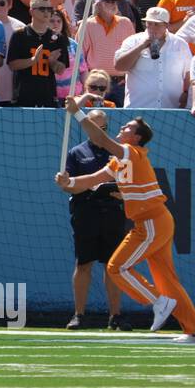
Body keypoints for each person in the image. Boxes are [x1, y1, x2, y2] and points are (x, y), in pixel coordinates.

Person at [57, 97, 195, 343]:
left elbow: (100, 139)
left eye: (127, 128)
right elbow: (92, 180)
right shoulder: (119, 161)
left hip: (152, 221)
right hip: (153, 222)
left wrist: (78, 113)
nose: (121, 129)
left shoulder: (132, 152)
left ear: (137, 137)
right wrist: (69, 183)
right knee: (167, 279)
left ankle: (158, 302)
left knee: (116, 267)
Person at [61, 107, 129, 331]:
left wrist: (121, 192)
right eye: (95, 127)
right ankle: (79, 314)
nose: (100, 132)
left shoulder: (117, 153)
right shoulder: (77, 152)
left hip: (113, 213)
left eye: (104, 128)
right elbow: (68, 185)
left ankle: (115, 316)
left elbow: (131, 183)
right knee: (83, 263)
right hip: (86, 213)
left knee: (113, 266)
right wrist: (67, 182)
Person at [114, 7, 191, 109]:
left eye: (157, 24)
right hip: (138, 109)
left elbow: (189, 73)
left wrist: (187, 93)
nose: (152, 28)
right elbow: (119, 66)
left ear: (166, 25)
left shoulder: (180, 44)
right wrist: (141, 46)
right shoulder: (133, 41)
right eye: (149, 23)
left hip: (171, 109)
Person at [5, 0, 69, 107]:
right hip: (23, 96)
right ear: (31, 11)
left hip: (48, 96)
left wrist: (52, 62)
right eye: (42, 9)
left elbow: (60, 70)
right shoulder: (20, 35)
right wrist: (33, 60)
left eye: (49, 9)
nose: (46, 12)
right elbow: (12, 64)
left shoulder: (58, 37)